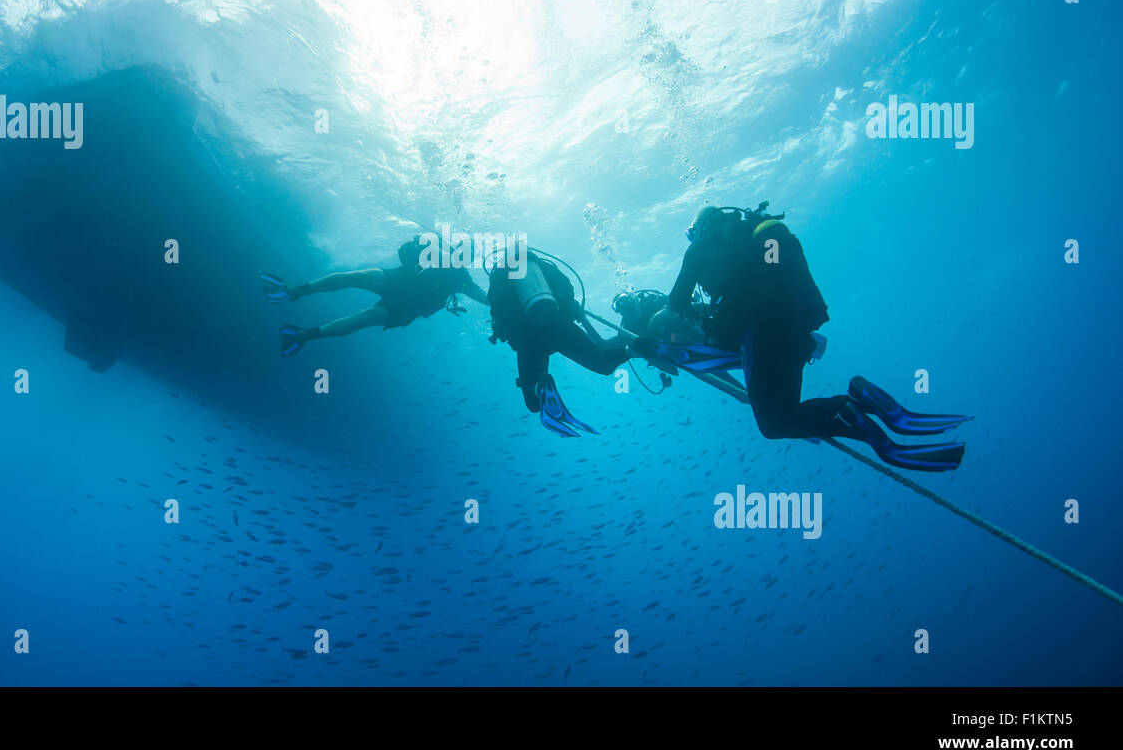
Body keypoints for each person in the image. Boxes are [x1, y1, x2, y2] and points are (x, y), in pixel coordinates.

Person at [641, 202, 971, 470]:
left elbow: (675, 301)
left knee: (774, 424)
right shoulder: (757, 236)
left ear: (700, 229)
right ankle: (860, 396)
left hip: (759, 333)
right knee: (786, 413)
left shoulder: (701, 248)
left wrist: (701, 318)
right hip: (797, 330)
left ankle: (852, 411)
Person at [262, 236, 488, 356]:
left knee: (360, 319)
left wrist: (503, 299)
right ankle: (295, 291)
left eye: (468, 254)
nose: (463, 255)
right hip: (397, 281)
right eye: (462, 249)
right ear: (456, 248)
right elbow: (410, 249)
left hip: (405, 308)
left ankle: (303, 335)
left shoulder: (463, 279)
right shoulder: (439, 252)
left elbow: (484, 297)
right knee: (355, 277)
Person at [487, 250, 631, 435]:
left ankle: (540, 383)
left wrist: (501, 330)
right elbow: (568, 288)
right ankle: (632, 350)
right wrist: (568, 311)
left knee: (532, 400)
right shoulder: (545, 267)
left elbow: (497, 311)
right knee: (603, 364)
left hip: (527, 338)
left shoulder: (499, 275)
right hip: (559, 327)